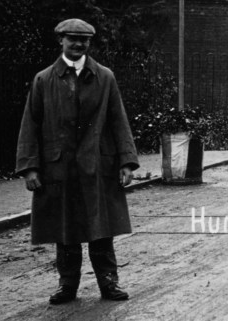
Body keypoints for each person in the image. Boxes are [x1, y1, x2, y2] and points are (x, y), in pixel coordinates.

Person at [15, 18, 138, 305]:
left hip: (98, 166)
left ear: (89, 44)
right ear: (61, 41)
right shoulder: (44, 79)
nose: (78, 44)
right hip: (59, 168)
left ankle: (109, 283)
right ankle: (67, 286)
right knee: (65, 230)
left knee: (101, 229)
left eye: (83, 40)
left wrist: (127, 162)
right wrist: (30, 167)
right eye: (72, 39)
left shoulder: (104, 77)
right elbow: (30, 125)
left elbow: (118, 120)